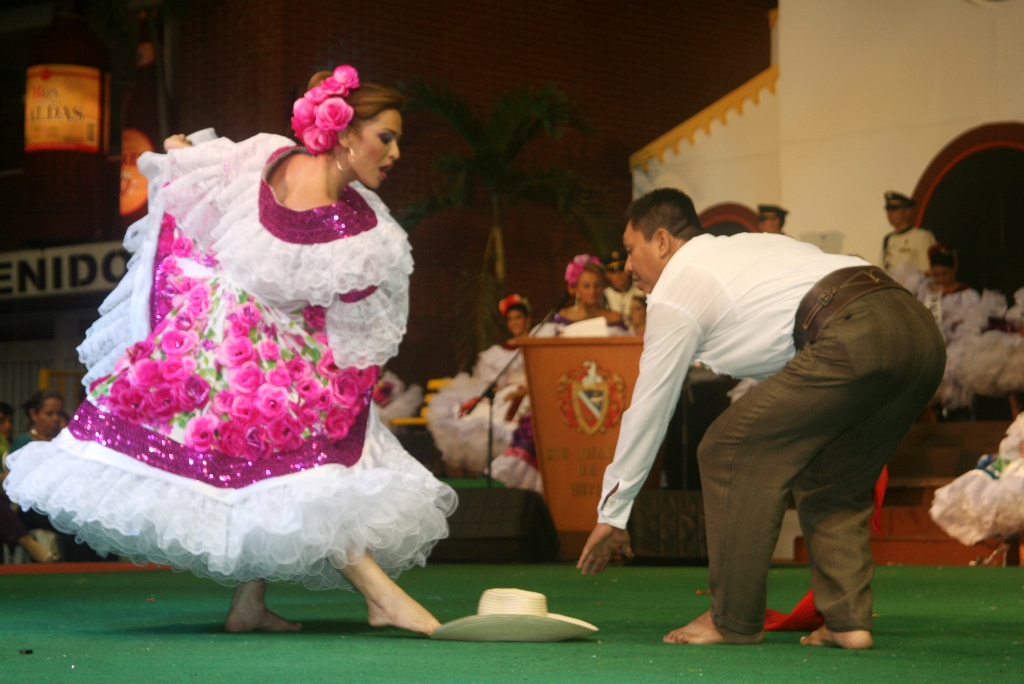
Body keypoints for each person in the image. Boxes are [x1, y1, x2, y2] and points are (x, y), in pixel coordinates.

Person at [3, 66, 455, 635]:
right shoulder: (280, 165)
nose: (394, 154)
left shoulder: (340, 207)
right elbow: (192, 166)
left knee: (273, 470)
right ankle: (381, 597)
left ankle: (249, 604)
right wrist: (183, 152)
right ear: (344, 132)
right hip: (224, 347)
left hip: (269, 355)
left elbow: (346, 306)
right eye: (385, 138)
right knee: (307, 471)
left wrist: (183, 150)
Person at [576, 188, 945, 649]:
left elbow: (649, 407)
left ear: (663, 241)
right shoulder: (748, 250)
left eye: (631, 250)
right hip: (919, 334)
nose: (628, 267)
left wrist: (613, 512)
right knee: (832, 479)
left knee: (726, 449)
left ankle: (732, 618)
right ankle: (847, 622)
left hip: (854, 330)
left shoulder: (677, 288)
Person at [427, 295, 532, 478]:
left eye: (518, 318)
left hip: (532, 392)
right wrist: (497, 387)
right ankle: (492, 468)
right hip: (508, 393)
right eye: (510, 319)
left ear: (527, 319)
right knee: (482, 418)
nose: (514, 323)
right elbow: (494, 382)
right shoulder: (498, 353)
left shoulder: (538, 344)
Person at [916, 244, 981, 343]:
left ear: (955, 267)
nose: (941, 278)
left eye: (945, 273)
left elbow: (973, 324)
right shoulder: (925, 288)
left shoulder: (968, 295)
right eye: (936, 274)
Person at [551, 256, 627, 331]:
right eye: (586, 286)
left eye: (597, 285)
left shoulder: (614, 319)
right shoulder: (561, 317)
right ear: (575, 287)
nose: (592, 291)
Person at [881, 191, 935, 273]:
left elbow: (928, 271)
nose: (890, 214)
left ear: (907, 211)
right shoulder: (888, 239)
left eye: (894, 209)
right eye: (888, 210)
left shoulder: (921, 236)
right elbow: (883, 270)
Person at [602, 249, 643, 330]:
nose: (618, 274)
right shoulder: (605, 295)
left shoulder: (641, 288)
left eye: (621, 269)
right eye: (613, 271)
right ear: (608, 275)